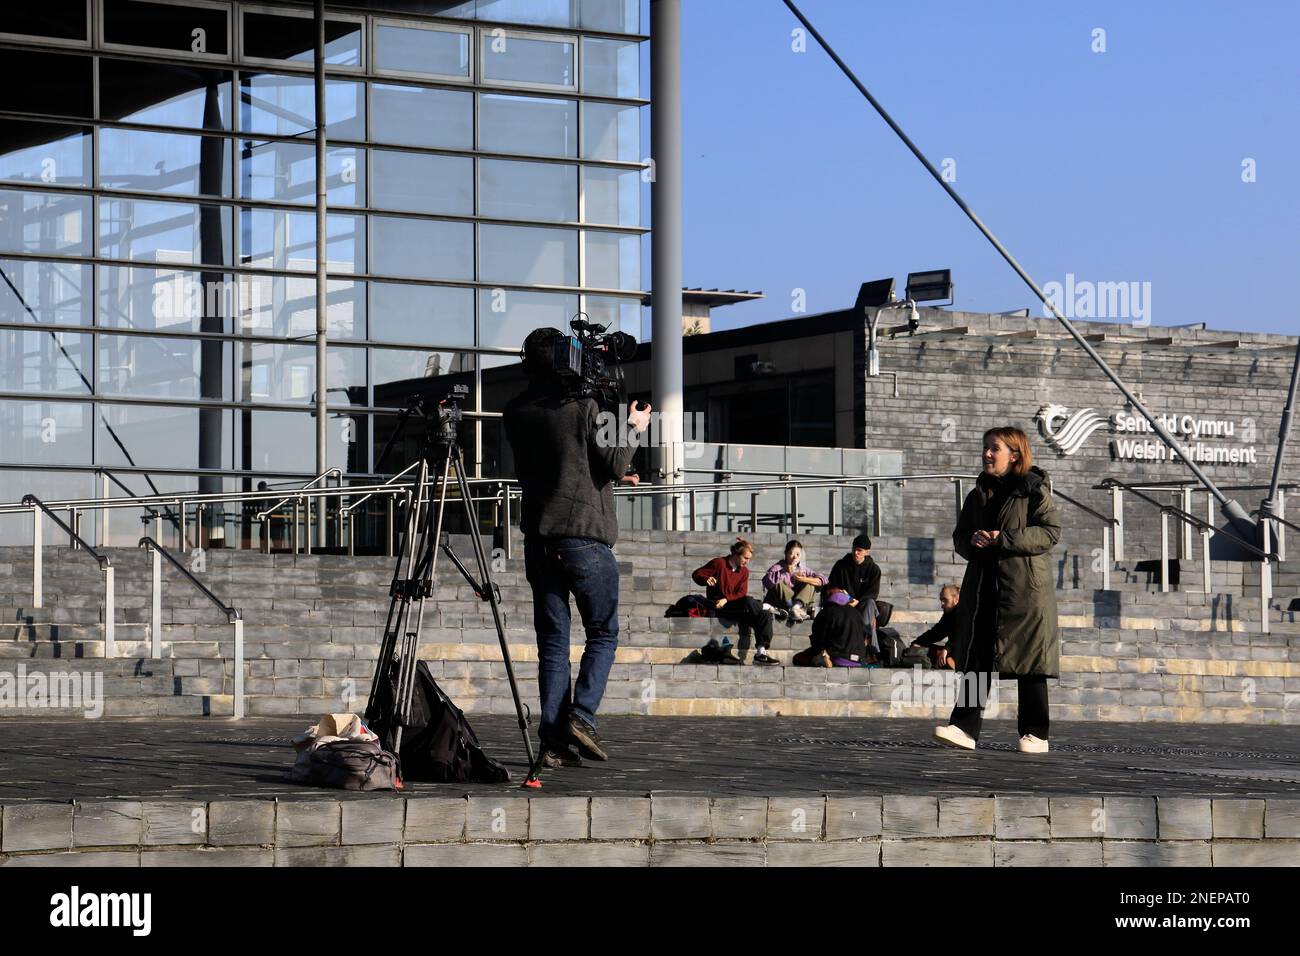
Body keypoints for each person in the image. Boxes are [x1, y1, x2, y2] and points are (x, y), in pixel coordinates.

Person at [503, 327, 651, 769]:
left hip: (539, 539)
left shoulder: (516, 410)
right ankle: (581, 717)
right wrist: (633, 426)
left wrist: (607, 473)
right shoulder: (584, 406)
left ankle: (551, 743)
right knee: (603, 633)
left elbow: (566, 461)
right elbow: (615, 460)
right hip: (585, 538)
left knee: (553, 642)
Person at [934, 426, 1061, 755]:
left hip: (1025, 592)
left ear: (1014, 454)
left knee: (1029, 660)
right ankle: (963, 728)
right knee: (976, 658)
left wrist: (1004, 539)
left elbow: (1049, 532)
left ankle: (1035, 733)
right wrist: (972, 542)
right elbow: (960, 536)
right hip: (983, 587)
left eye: (995, 448)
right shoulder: (977, 493)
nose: (986, 454)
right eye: (985, 447)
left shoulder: (1033, 489)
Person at [691, 537, 778, 665]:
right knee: (749, 602)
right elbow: (696, 574)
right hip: (719, 607)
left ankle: (761, 652)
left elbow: (741, 593)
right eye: (745, 558)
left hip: (734, 605)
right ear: (736, 554)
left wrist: (727, 599)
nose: (747, 562)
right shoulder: (719, 563)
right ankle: (763, 605)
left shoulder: (744, 572)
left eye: (749, 559)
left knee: (764, 615)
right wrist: (706, 579)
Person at [794, 588, 872, 667]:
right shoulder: (856, 613)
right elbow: (865, 639)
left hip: (837, 658)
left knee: (798, 658)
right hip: (859, 661)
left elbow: (818, 640)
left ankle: (828, 662)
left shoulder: (826, 612)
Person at [825, 533, 883, 634]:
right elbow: (831, 585)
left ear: (866, 552)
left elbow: (873, 593)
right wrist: (844, 597)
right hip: (843, 604)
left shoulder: (874, 570)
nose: (856, 553)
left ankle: (866, 640)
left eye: (859, 550)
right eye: (854, 549)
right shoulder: (841, 565)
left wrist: (858, 601)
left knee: (870, 604)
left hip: (863, 606)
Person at [761, 539, 826, 624]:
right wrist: (783, 572)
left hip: (797, 602)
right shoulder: (778, 567)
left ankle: (795, 608)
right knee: (778, 583)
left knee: (810, 584)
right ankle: (792, 609)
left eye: (798, 554)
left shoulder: (803, 569)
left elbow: (824, 580)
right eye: (791, 553)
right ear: (786, 554)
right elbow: (766, 581)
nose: (795, 557)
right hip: (782, 602)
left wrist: (804, 579)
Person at [910, 584, 960, 669]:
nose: (942, 604)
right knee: (927, 650)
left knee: (940, 653)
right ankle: (948, 661)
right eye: (941, 600)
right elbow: (935, 633)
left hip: (969, 652)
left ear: (956, 600)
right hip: (953, 649)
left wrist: (946, 650)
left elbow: (960, 637)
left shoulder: (964, 615)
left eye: (945, 600)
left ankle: (954, 662)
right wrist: (917, 643)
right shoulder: (948, 616)